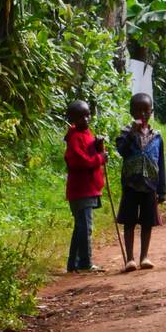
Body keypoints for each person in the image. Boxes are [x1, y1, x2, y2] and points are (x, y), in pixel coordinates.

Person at [114, 93, 166, 273]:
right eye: (138, 110)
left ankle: (144, 256)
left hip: (150, 185)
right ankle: (130, 259)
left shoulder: (157, 136)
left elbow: (161, 164)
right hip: (131, 184)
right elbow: (122, 151)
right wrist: (131, 135)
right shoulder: (125, 133)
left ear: (151, 112)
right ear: (131, 112)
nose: (142, 114)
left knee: (147, 222)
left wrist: (162, 190)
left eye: (146, 110)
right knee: (129, 222)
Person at [63, 100, 107, 273]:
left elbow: (90, 151)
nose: (86, 119)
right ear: (73, 119)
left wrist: (97, 146)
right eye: (81, 117)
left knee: (80, 227)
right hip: (81, 191)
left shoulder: (86, 133)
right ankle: (85, 263)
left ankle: (73, 263)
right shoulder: (73, 138)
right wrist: (100, 158)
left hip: (89, 188)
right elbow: (81, 161)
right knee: (84, 227)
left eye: (88, 114)